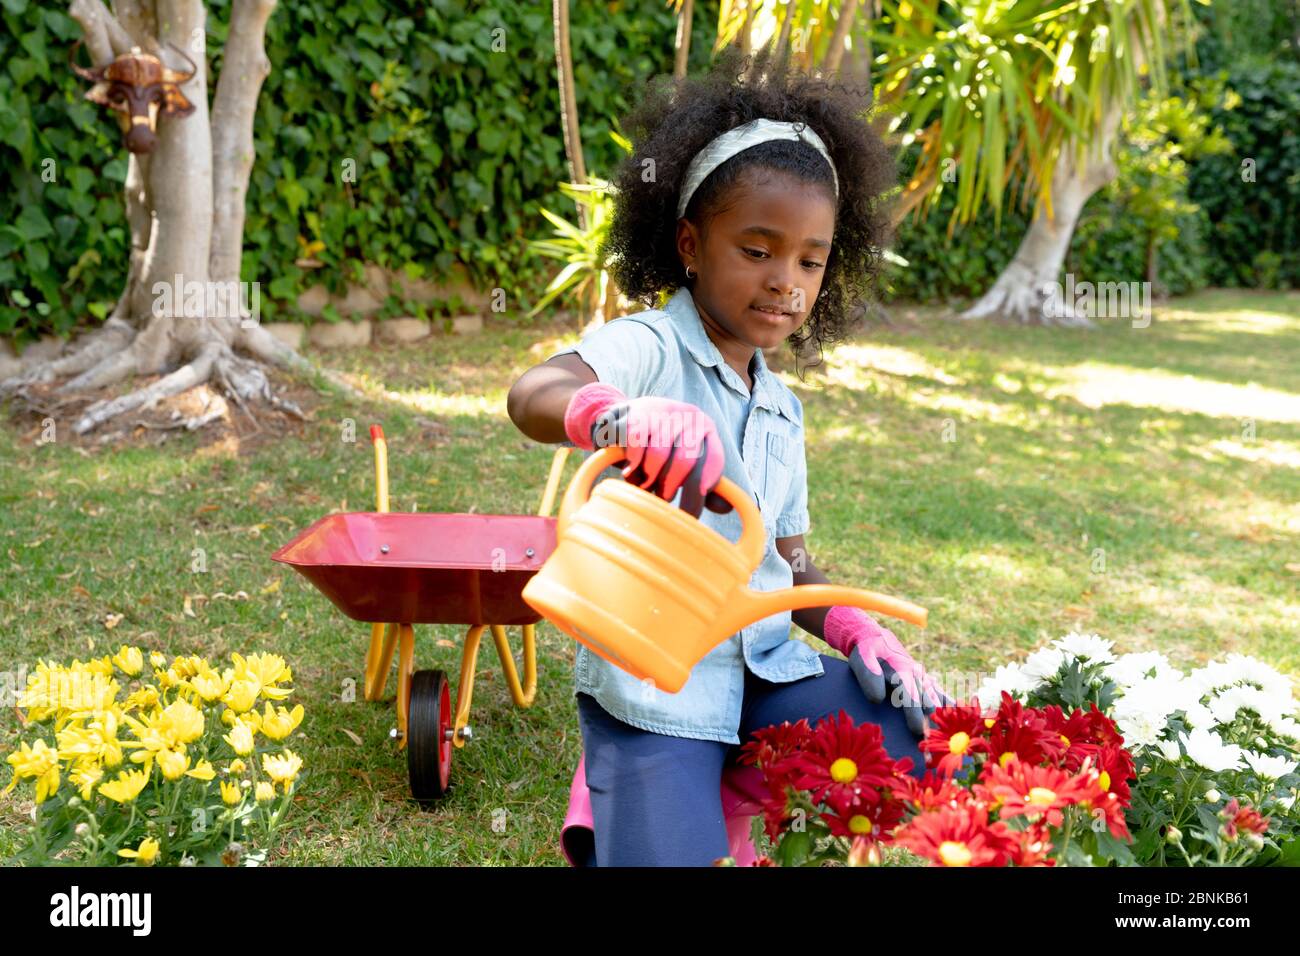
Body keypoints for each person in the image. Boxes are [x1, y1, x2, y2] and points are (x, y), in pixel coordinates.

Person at [506, 49, 953, 867]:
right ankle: (633, 792)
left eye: (810, 260)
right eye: (757, 250)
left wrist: (855, 631)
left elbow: (790, 563)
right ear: (689, 244)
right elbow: (534, 392)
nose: (786, 281)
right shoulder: (649, 346)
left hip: (765, 676)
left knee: (923, 740)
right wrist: (617, 416)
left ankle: (728, 792)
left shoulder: (781, 408)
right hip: (653, 689)